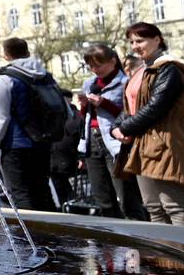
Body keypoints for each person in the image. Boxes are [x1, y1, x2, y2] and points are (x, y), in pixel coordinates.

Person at [0, 38, 57, 211]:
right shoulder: (44, 75)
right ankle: (55, 234)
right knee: (42, 191)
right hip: (42, 142)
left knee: (21, 193)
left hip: (15, 145)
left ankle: (29, 235)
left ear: (4, 56)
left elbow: (1, 117)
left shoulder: (6, 79)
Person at [112, 22, 184, 225]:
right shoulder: (141, 72)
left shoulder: (168, 69)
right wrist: (115, 127)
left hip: (165, 145)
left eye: (140, 40)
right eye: (132, 41)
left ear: (157, 39)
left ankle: (179, 255)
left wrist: (123, 128)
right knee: (153, 208)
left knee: (174, 207)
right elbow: (129, 108)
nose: (135, 46)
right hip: (141, 145)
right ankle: (162, 256)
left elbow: (155, 108)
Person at [76, 43, 138, 219]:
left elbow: (129, 113)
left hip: (116, 142)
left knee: (127, 197)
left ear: (112, 61)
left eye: (98, 64)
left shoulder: (125, 82)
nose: (95, 69)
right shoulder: (89, 83)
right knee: (102, 197)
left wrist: (103, 103)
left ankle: (140, 239)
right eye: (91, 66)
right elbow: (85, 118)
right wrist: (84, 106)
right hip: (93, 142)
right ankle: (113, 243)